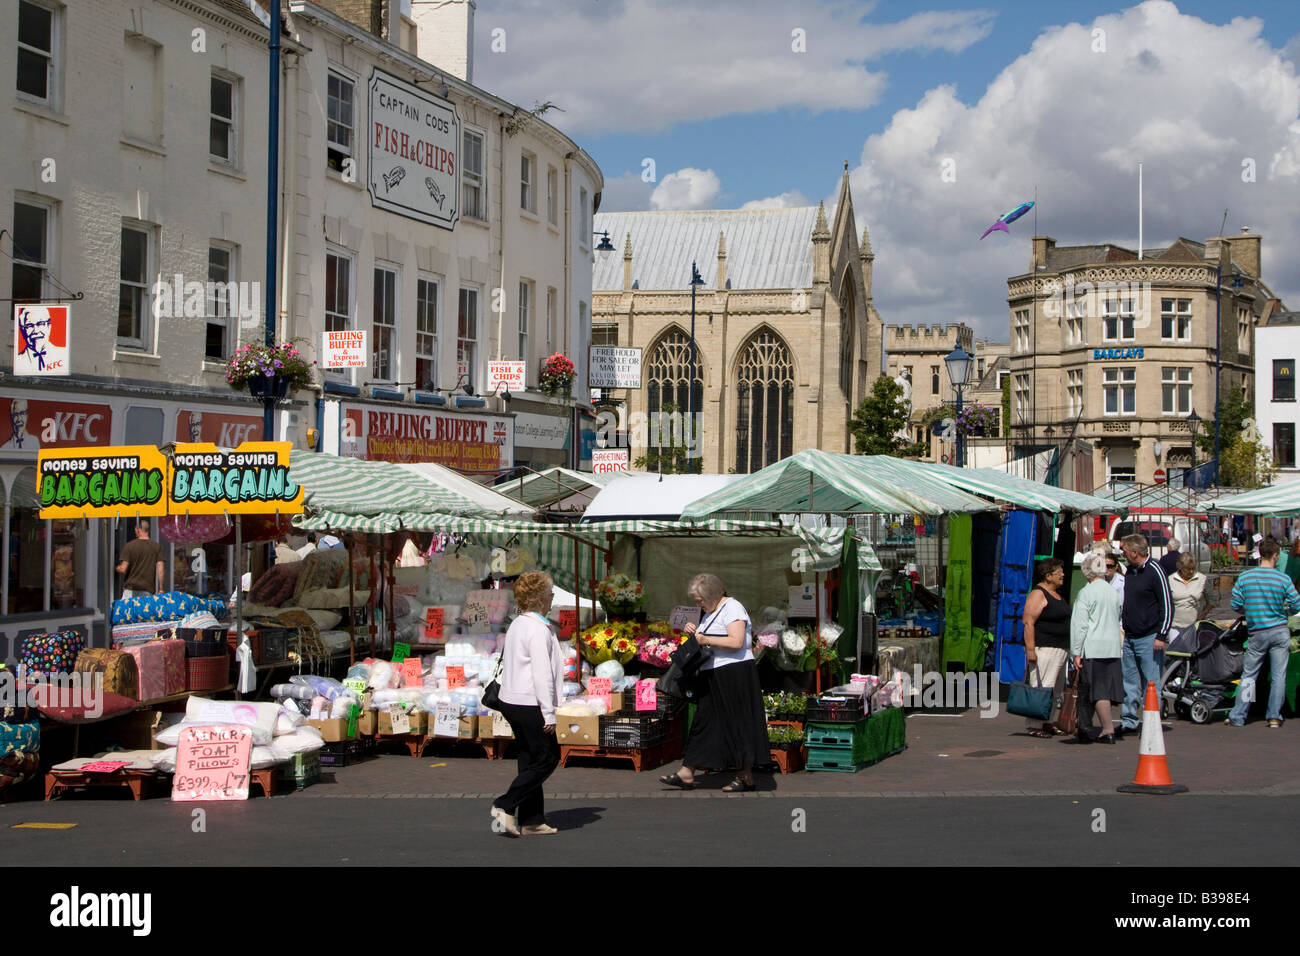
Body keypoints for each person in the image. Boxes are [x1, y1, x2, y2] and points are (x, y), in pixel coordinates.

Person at [659, 573, 768, 792]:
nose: (697, 604)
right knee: (704, 720)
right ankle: (687, 772)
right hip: (714, 673)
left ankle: (746, 775)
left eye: (699, 600)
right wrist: (695, 631)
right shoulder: (711, 611)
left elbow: (737, 641)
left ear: (713, 595)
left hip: (734, 673)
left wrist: (705, 638)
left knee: (737, 723)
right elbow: (709, 638)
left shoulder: (733, 608)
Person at [492, 570, 564, 836]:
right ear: (541, 597)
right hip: (529, 702)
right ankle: (505, 804)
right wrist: (549, 713)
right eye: (551, 592)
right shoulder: (537, 628)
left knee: (530, 757)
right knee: (547, 758)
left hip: (512, 699)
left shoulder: (519, 623)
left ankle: (531, 819)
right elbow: (541, 673)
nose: (553, 597)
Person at [1225, 538, 1300, 728]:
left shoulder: (1245, 577)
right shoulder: (1283, 579)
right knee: (1278, 677)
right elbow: (1296, 604)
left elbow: (1235, 604)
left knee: (1249, 676)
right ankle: (1274, 716)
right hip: (1279, 630)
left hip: (1257, 631)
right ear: (1276, 555)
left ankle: (1239, 715)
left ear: (1260, 554)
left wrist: (1248, 611)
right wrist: (1286, 612)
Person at [1118, 533, 1174, 736]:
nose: (1122, 553)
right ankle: (1129, 720)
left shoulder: (1155, 570)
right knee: (1130, 681)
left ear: (1134, 552)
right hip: (1131, 636)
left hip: (1149, 637)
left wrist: (1162, 634)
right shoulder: (1130, 572)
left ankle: (1151, 723)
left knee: (1151, 683)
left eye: (1124, 550)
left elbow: (1167, 604)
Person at [1070, 551, 1124, 744]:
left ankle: (1107, 729)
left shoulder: (1086, 593)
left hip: (1093, 647)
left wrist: (1076, 652)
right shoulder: (1111, 591)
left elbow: (1080, 625)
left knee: (1098, 690)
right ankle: (1085, 727)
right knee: (1100, 688)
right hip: (1112, 646)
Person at [1021, 558, 1071, 738]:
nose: (1063, 575)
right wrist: (1031, 649)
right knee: (1042, 687)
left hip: (1060, 648)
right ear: (1048, 576)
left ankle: (1049, 721)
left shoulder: (1057, 594)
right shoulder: (1038, 594)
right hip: (1045, 648)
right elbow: (1028, 622)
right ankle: (1034, 725)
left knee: (1056, 690)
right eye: (1059, 573)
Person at [116, 521, 164, 599]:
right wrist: (161, 588)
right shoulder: (156, 547)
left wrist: (116, 568)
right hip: (147, 589)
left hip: (130, 589)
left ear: (138, 530)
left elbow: (123, 569)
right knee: (144, 610)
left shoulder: (129, 546)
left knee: (128, 610)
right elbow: (160, 569)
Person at [1168, 553, 1208, 633]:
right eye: (1187, 569)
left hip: (1195, 624)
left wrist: (1204, 613)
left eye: (1193, 568)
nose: (1191, 571)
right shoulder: (1170, 579)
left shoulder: (1202, 579)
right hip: (1175, 625)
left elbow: (1213, 599)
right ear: (1180, 567)